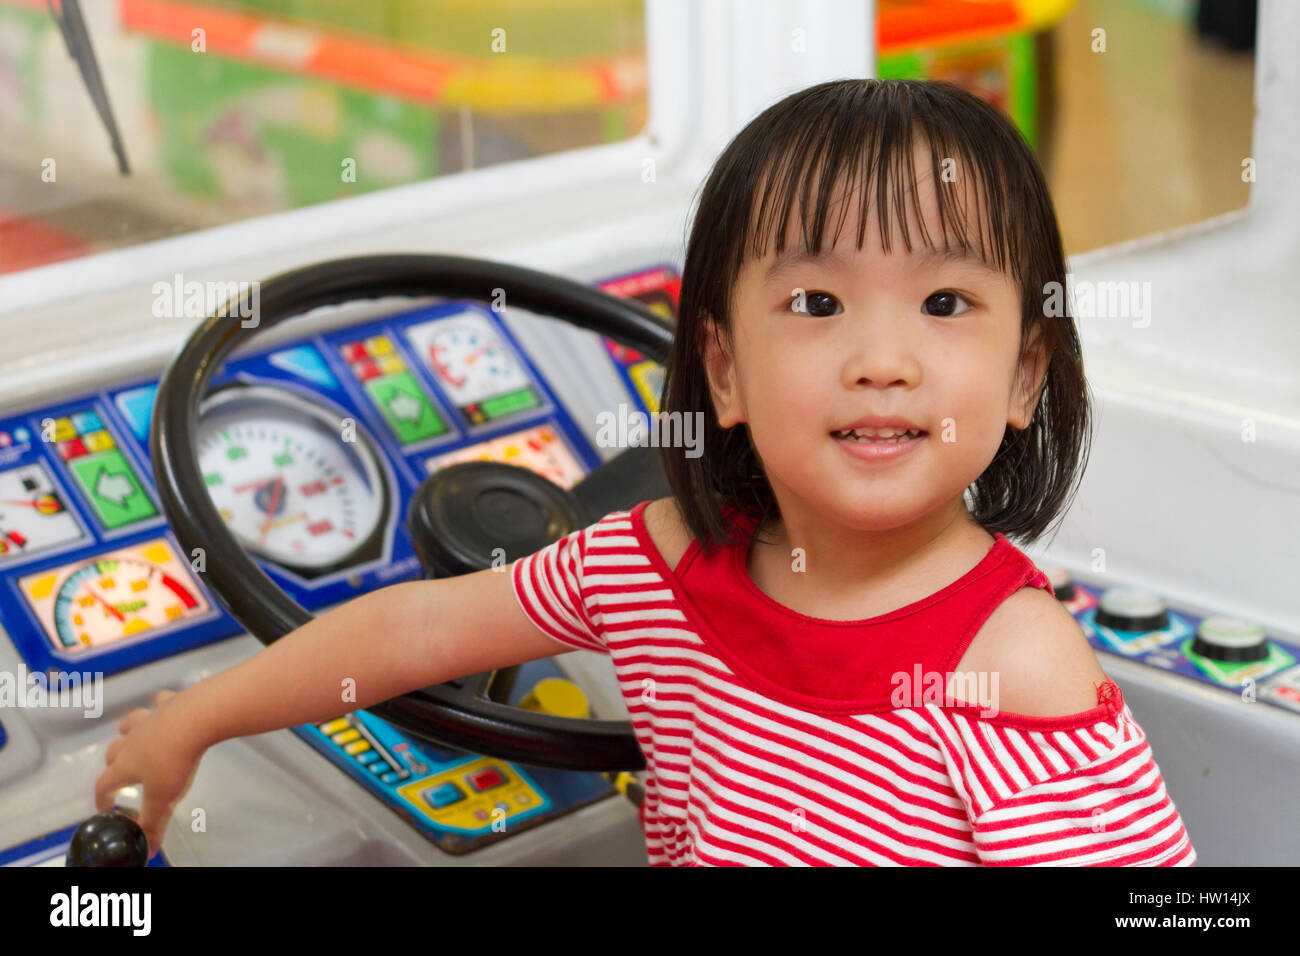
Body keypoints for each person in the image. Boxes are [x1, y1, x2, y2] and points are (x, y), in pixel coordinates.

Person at [96, 78, 1196, 866]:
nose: (881, 362)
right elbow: (419, 632)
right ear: (723, 367)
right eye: (814, 304)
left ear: (1022, 377)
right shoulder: (655, 562)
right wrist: (193, 720)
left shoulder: (1014, 666)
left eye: (945, 304)